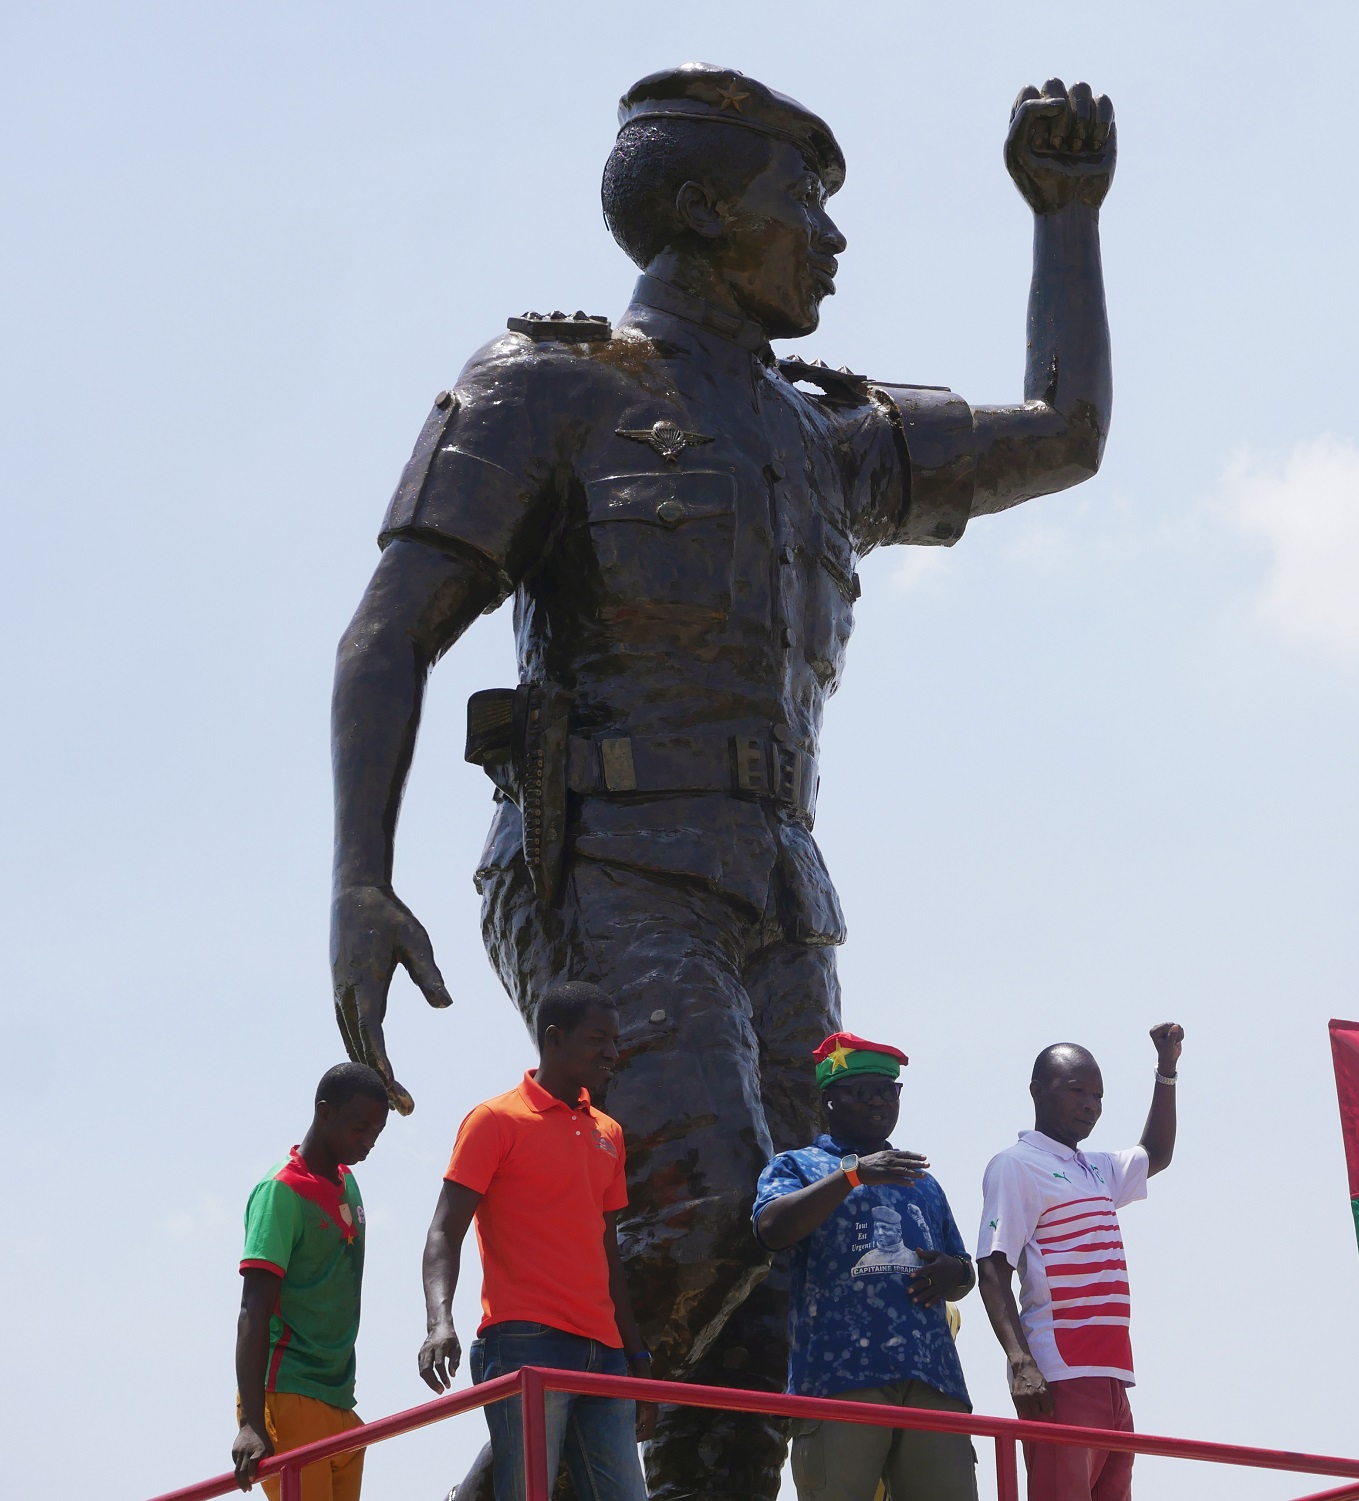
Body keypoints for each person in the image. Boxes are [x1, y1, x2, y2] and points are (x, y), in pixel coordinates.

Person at [327, 64, 1118, 1499]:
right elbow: (390, 632)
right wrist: (358, 877)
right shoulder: (552, 385)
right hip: (612, 862)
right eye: (800, 202)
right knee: (703, 1215)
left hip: (776, 889)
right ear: (700, 211)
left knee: (790, 1252)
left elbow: (1064, 435)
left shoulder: (823, 435)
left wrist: (1066, 220)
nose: (830, 236)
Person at [416, 982, 653, 1501]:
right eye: (598, 1039)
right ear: (553, 1039)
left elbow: (606, 1249)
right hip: (525, 1342)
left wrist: (636, 1354)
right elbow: (444, 1229)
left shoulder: (608, 1132)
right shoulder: (494, 1120)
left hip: (606, 1350)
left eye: (615, 1040)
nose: (613, 1052)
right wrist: (440, 1322)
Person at [752, 1033, 978, 1501]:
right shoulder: (797, 1166)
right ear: (828, 1100)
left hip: (932, 1380)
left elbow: (964, 1269)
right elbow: (771, 1229)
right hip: (842, 1381)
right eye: (860, 1090)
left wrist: (952, 1272)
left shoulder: (923, 1180)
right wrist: (852, 1175)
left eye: (887, 1090)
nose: (877, 1099)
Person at [976, 1025, 1184, 1501]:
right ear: (1037, 1091)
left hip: (1112, 1375)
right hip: (1061, 1374)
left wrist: (1166, 1071)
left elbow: (1157, 1154)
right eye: (1077, 1091)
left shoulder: (1094, 1167)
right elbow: (992, 1269)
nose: (1091, 1104)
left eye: (1098, 1095)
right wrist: (1020, 1362)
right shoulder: (1016, 1164)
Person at [232, 1063, 392, 1499]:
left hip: (340, 1397)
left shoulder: (348, 1184)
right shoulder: (280, 1192)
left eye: (377, 1131)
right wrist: (250, 1422)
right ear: (324, 1113)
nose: (369, 1141)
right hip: (288, 1395)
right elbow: (253, 1308)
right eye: (361, 1128)